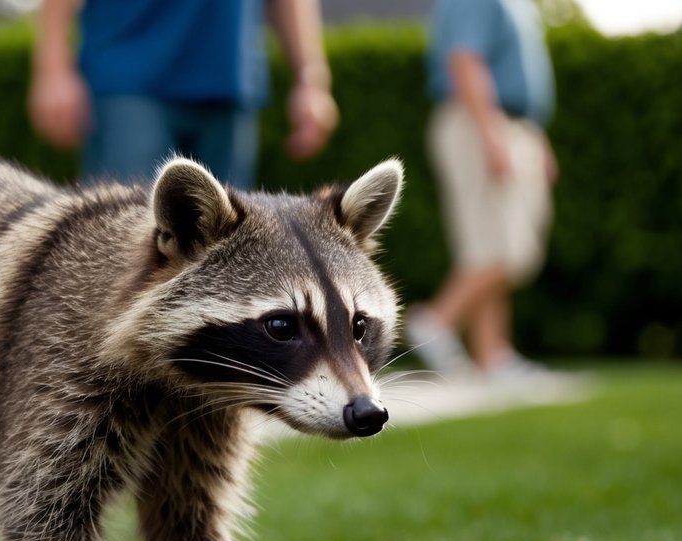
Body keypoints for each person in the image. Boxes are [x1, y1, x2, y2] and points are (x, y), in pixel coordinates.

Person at [28, 0, 338, 188]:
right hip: (129, 74)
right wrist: (52, 69)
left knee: (227, 245)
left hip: (228, 80)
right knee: (126, 231)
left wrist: (311, 80)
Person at [407, 0, 559, 381]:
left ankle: (493, 357)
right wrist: (490, 133)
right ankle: (435, 321)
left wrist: (535, 138)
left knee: (492, 244)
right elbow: (464, 59)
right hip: (479, 120)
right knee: (502, 249)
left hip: (509, 124)